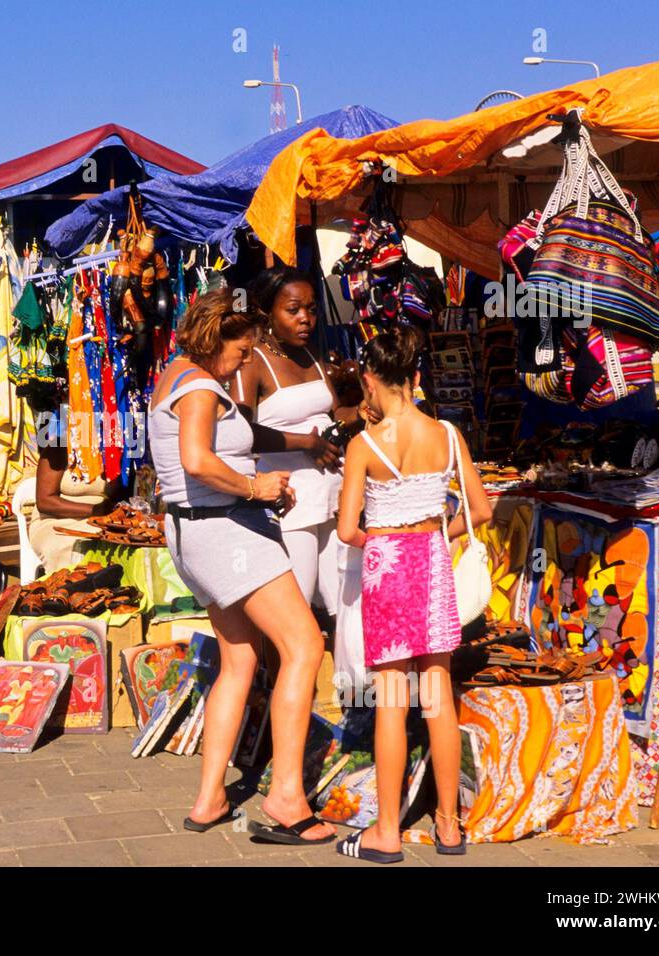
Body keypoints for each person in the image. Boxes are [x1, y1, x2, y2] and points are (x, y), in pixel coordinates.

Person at [147, 288, 335, 846]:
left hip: (192, 534)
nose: (245, 360)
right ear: (215, 340)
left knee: (240, 657)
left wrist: (286, 455)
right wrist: (256, 486)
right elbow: (198, 460)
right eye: (241, 349)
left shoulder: (176, 374)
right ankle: (286, 797)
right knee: (304, 645)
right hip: (224, 532)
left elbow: (230, 444)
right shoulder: (203, 387)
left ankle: (209, 799)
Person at [335, 326, 492, 863]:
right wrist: (433, 534)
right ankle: (449, 827)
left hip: (386, 569)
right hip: (431, 564)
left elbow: (346, 529)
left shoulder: (363, 445)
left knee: (391, 703)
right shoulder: (447, 434)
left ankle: (385, 832)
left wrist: (384, 540)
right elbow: (482, 510)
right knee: (438, 697)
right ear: (417, 378)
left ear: (370, 380)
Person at [236, 267, 349, 616]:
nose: (305, 319)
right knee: (299, 601)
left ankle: (345, 671)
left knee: (343, 600)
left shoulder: (311, 354)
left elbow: (333, 412)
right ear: (269, 312)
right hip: (292, 500)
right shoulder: (252, 361)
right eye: (294, 309)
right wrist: (306, 443)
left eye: (312, 309)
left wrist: (364, 413)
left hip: (332, 494)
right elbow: (241, 432)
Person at [26, 442, 117, 575]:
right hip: (54, 521)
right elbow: (45, 501)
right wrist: (95, 510)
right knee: (70, 545)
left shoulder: (114, 450)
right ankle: (66, 588)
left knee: (114, 541)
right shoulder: (58, 448)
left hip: (100, 520)